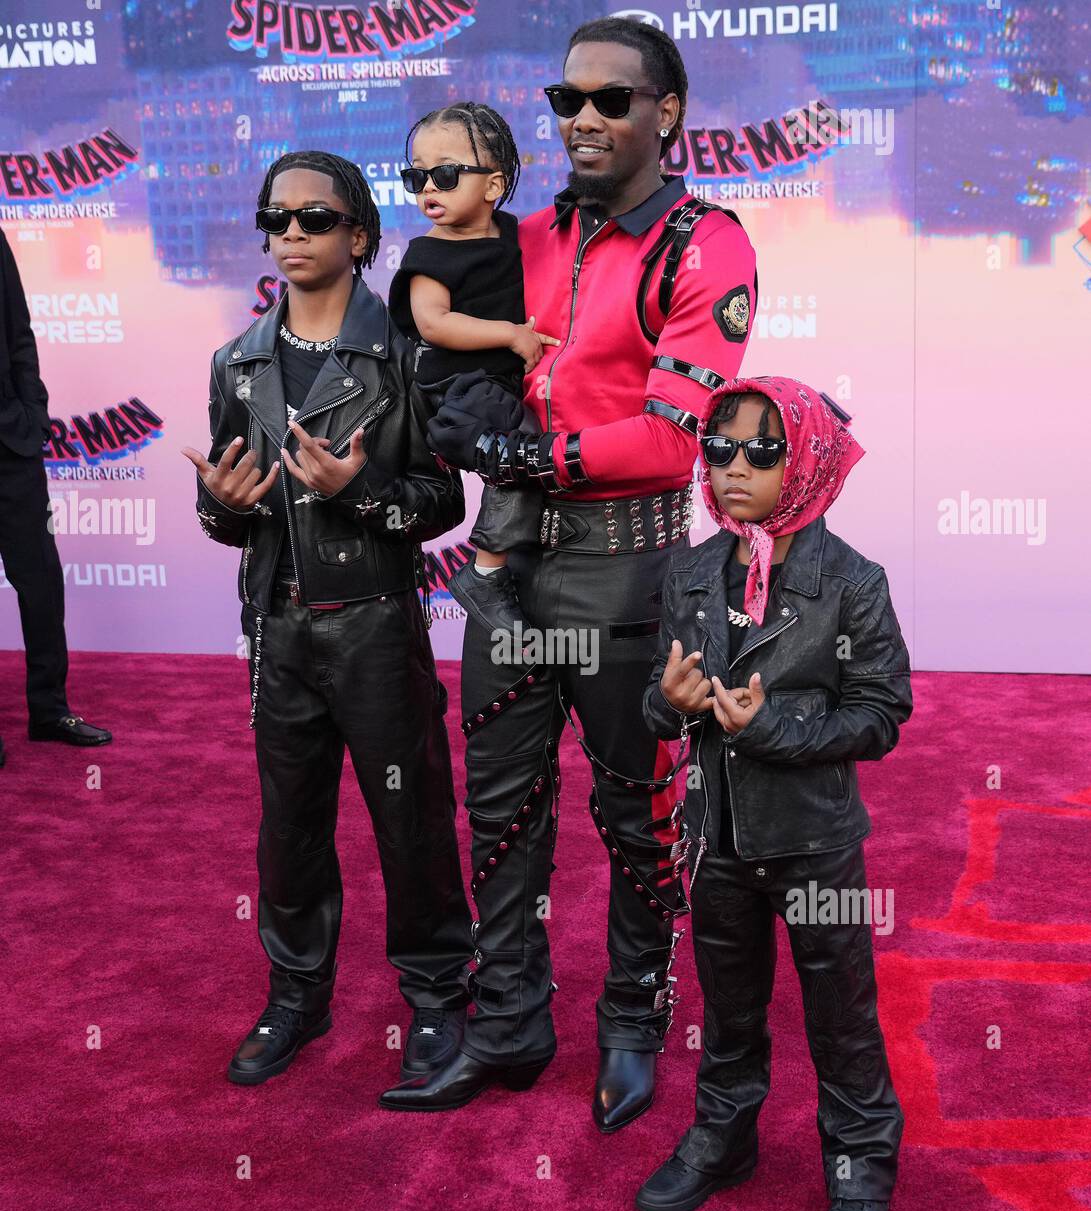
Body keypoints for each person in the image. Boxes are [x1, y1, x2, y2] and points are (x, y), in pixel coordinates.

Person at [378, 16, 758, 1129]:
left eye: (610, 100)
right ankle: (508, 1020)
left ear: (665, 112)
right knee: (498, 799)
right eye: (566, 100)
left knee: (636, 813)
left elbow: (672, 437)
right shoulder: (522, 233)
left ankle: (633, 1020)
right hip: (505, 565)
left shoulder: (705, 243)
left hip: (628, 570)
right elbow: (436, 343)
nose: (582, 118)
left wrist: (526, 453)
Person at [182, 150, 473, 1086]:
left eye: (315, 219)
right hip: (277, 626)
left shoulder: (405, 349)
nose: (292, 235)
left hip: (375, 623)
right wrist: (223, 507)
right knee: (289, 825)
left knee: (412, 818)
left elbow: (442, 505)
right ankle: (295, 998)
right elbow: (226, 515)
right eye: (278, 219)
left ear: (358, 235)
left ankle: (436, 995)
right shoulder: (239, 360)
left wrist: (363, 491)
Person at [635, 376, 912, 1211]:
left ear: (809, 462)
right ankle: (723, 1135)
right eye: (718, 450)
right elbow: (659, 703)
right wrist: (668, 707)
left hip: (817, 848)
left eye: (763, 449)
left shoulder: (851, 583)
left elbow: (880, 713)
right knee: (729, 1011)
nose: (734, 469)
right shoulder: (688, 571)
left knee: (841, 1015)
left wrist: (774, 726)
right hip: (716, 842)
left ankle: (860, 1165)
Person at [389, 100, 558, 636]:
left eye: (443, 174)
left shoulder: (516, 235)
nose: (428, 190)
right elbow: (434, 324)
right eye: (417, 178)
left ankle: (508, 560)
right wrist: (511, 334)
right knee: (519, 453)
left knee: (532, 454)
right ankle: (486, 572)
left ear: (492, 186)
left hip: (499, 385)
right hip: (455, 390)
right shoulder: (427, 256)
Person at [0, 227, 112, 767]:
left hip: (10, 442)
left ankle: (49, 709)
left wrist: (33, 415)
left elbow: (19, 334)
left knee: (40, 579)